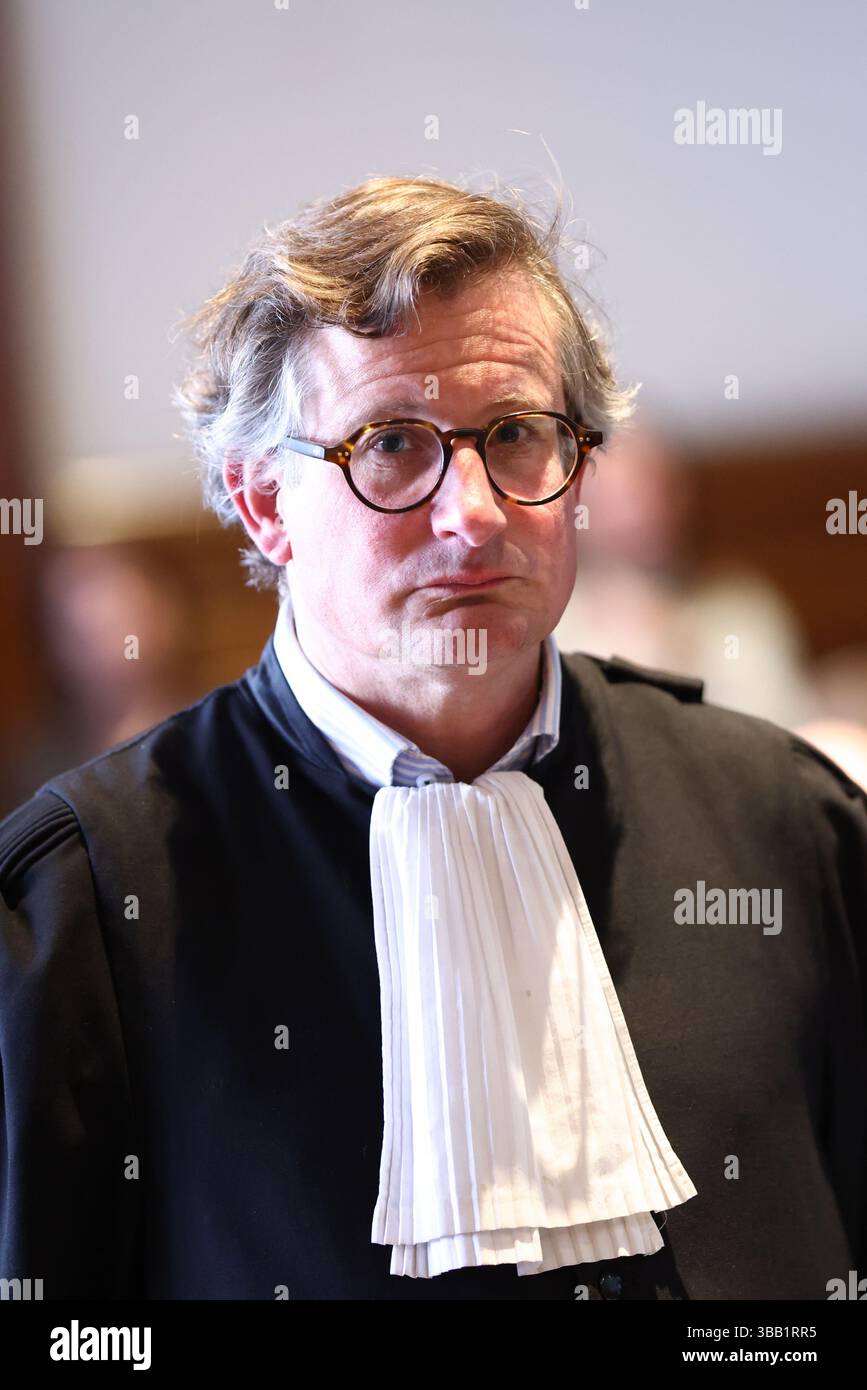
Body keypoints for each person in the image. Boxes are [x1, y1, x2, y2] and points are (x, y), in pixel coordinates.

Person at [1, 176, 865, 1301]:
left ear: (581, 465)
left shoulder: (787, 823)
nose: (474, 513)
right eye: (393, 444)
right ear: (264, 502)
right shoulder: (83, 907)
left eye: (515, 434)